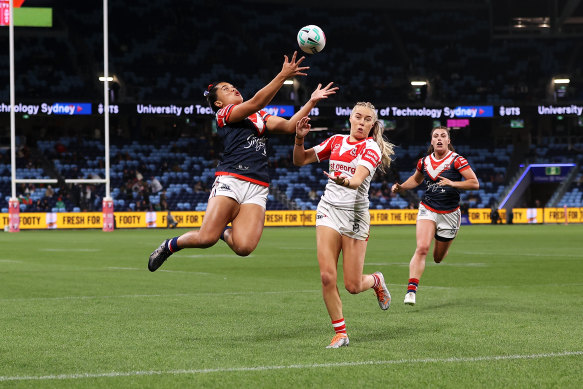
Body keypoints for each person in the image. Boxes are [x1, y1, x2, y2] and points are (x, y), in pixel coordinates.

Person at [148, 52, 338, 271]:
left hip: (258, 185)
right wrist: (282, 75)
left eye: (232, 86)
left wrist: (311, 101)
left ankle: (222, 231)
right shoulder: (224, 113)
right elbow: (256, 102)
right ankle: (169, 245)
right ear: (219, 102)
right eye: (226, 89)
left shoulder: (260, 117)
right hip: (231, 179)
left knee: (244, 247)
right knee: (205, 239)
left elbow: (288, 126)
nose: (232, 88)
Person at [293, 102, 395, 348]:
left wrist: (344, 180)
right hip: (328, 210)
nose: (361, 122)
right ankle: (341, 333)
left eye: (367, 119)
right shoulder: (336, 141)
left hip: (355, 217)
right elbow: (300, 160)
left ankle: (376, 280)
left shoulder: (371, 148)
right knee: (327, 276)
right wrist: (298, 139)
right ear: (350, 118)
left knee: (352, 285)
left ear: (372, 125)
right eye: (358, 117)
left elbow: (357, 179)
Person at [392, 126, 479, 306]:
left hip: (450, 214)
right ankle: (411, 291)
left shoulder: (457, 160)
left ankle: (441, 246)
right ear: (431, 141)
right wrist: (401, 186)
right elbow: (416, 179)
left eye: (443, 136)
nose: (439, 139)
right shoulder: (423, 162)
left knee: (438, 258)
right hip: (428, 208)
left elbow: (474, 183)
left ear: (449, 141)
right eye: (436, 136)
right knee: (422, 247)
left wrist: (452, 183)